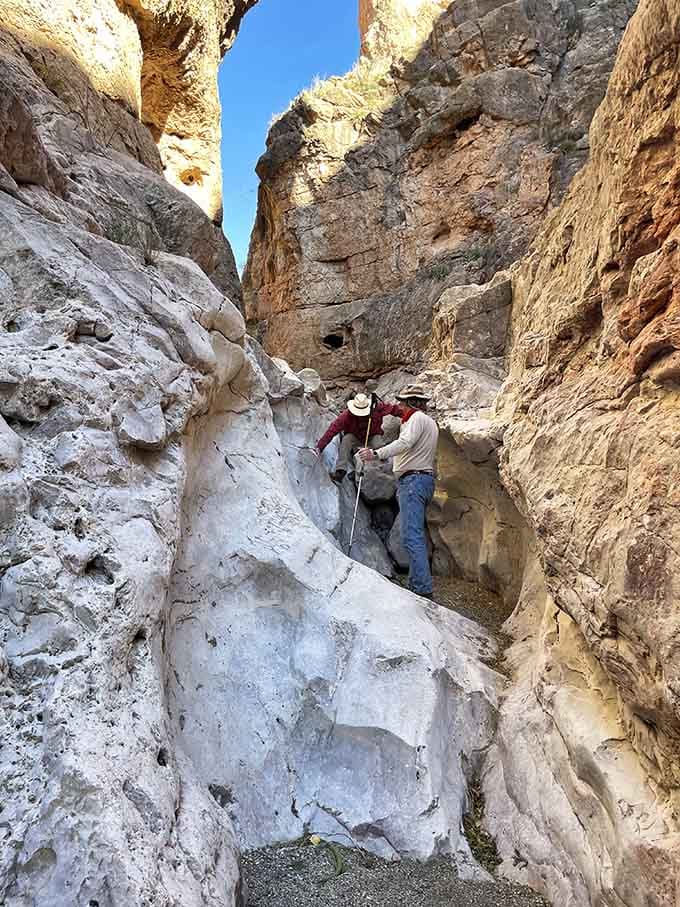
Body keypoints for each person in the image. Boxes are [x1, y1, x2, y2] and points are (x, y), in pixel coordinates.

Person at [359, 384, 438, 599]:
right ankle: (418, 582)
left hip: (412, 481)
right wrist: (385, 407)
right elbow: (400, 416)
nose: (400, 406)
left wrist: (376, 453)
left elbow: (405, 442)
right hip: (423, 480)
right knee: (415, 534)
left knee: (411, 536)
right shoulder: (429, 422)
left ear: (411, 403)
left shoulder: (416, 420)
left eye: (402, 402)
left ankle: (421, 588)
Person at [315, 392, 402, 482]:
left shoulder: (376, 408)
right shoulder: (346, 416)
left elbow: (393, 409)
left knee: (379, 444)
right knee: (346, 440)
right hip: (355, 437)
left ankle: (382, 469)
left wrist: (407, 415)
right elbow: (332, 431)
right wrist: (319, 447)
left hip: (373, 435)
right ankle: (341, 471)